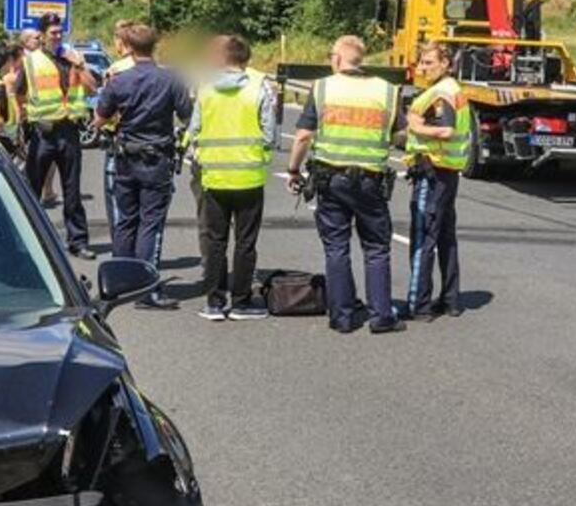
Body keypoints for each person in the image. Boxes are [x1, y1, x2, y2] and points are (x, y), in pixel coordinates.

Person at [287, 35, 401, 334]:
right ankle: (381, 316)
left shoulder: (324, 87)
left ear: (338, 58)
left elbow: (302, 135)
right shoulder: (387, 91)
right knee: (376, 248)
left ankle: (342, 316)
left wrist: (294, 170)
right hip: (370, 181)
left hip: (331, 178)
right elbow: (401, 135)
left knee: (336, 247)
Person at [90, 24, 187, 307]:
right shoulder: (171, 80)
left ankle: (121, 284)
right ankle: (147, 291)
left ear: (129, 48)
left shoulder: (119, 81)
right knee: (151, 224)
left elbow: (100, 118)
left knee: (126, 221)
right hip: (157, 157)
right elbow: (187, 115)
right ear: (155, 46)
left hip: (125, 158)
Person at [189, 34, 277, 322]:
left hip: (214, 177)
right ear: (245, 59)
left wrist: (201, 158)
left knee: (215, 241)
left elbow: (194, 131)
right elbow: (269, 135)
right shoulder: (260, 87)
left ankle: (214, 302)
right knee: (245, 242)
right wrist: (259, 157)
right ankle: (241, 301)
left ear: (222, 58)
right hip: (249, 177)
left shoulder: (205, 87)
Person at [13, 23, 97, 257]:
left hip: (69, 131)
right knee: (33, 189)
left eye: (61, 32)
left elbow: (92, 89)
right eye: (53, 33)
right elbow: (19, 93)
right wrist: (25, 121)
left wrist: (79, 65)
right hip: (43, 133)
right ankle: (25, 241)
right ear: (43, 36)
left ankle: (78, 242)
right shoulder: (31, 62)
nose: (58, 36)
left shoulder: (73, 58)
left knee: (72, 191)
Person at [402, 42, 469, 321]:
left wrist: (415, 126)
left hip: (433, 170)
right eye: (421, 62)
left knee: (423, 237)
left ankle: (419, 304)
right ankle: (451, 299)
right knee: (445, 236)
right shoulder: (452, 89)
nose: (422, 68)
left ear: (446, 64)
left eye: (429, 62)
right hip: (446, 171)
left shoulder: (442, 93)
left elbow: (446, 129)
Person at [99, 21, 138, 236]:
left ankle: (122, 249)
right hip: (149, 143)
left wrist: (98, 124)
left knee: (118, 204)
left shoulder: (115, 71)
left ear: (121, 43)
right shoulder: (154, 70)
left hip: (119, 141)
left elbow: (106, 112)